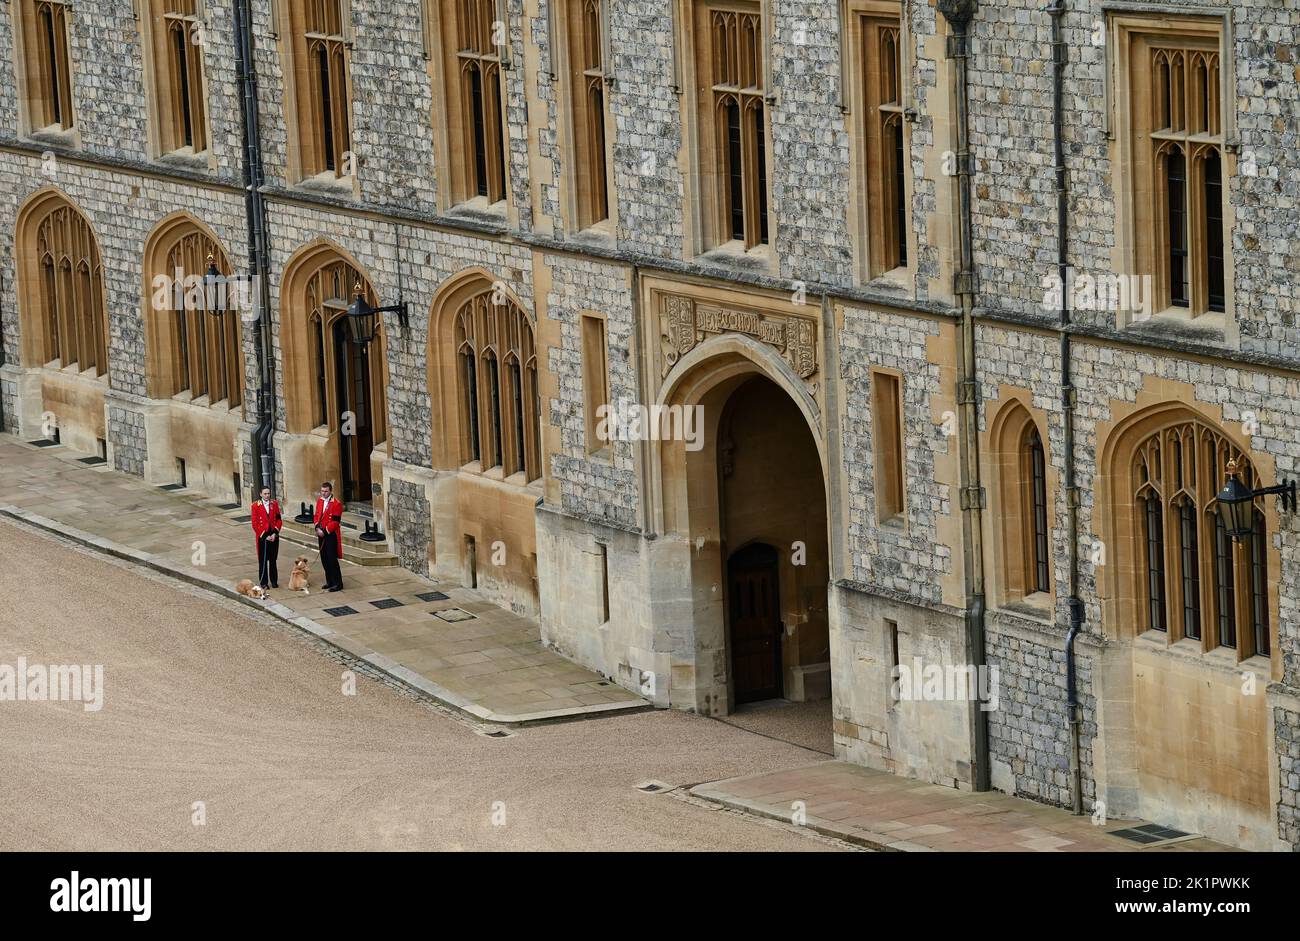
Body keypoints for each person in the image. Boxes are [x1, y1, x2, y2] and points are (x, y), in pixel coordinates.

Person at [314, 481, 345, 592]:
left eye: (326, 491)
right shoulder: (320, 501)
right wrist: (317, 527)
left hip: (331, 535)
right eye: (322, 491)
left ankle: (338, 583)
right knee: (324, 558)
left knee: (332, 559)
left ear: (330, 491)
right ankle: (329, 581)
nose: (324, 493)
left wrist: (325, 531)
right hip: (321, 533)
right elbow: (317, 515)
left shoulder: (336, 504)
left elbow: (336, 522)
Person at [251, 486, 283, 589]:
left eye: (268, 493)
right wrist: (265, 536)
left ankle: (274, 581)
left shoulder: (274, 504)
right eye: (265, 494)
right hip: (262, 537)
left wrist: (275, 533)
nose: (267, 495)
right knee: (263, 561)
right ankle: (263, 582)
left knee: (273, 560)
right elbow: (255, 524)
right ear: (261, 494)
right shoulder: (255, 506)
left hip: (273, 535)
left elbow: (279, 519)